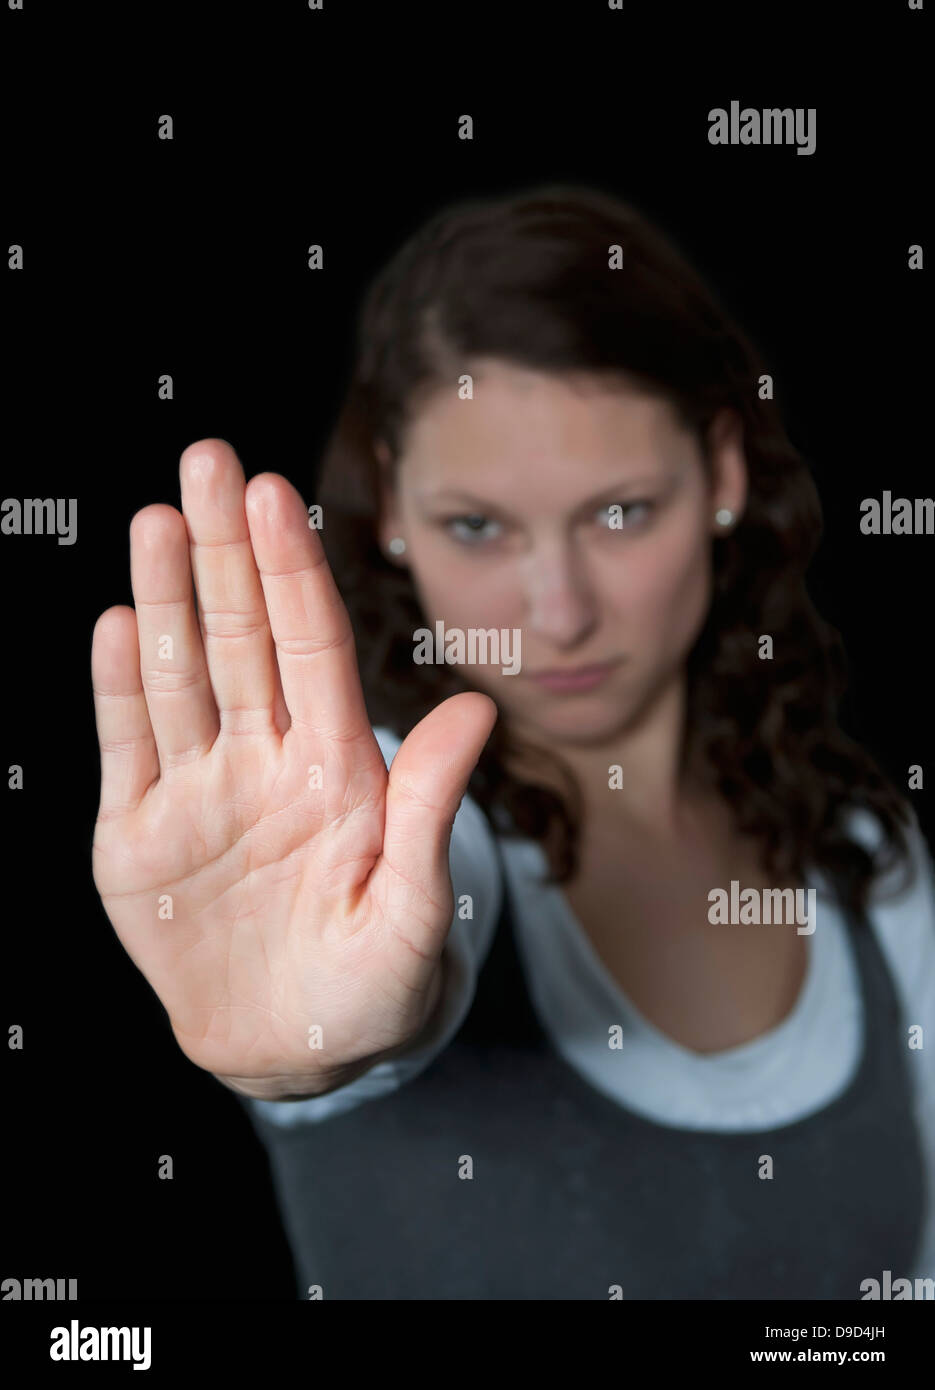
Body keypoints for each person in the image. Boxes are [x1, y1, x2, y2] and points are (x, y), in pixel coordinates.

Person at [90, 185, 934, 1300]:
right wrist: (305, 1031)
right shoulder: (380, 825)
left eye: (620, 512)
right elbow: (399, 957)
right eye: (476, 526)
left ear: (721, 475)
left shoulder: (865, 853)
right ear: (390, 507)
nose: (558, 609)